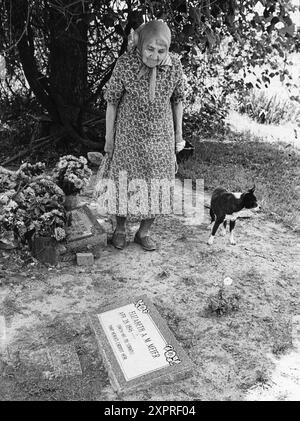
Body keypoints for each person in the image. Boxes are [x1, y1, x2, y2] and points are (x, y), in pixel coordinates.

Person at [97, 20, 186, 251]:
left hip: (161, 136)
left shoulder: (174, 65)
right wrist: (109, 138)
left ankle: (144, 232)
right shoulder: (126, 64)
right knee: (124, 181)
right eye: (150, 49)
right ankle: (120, 229)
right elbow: (112, 101)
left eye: (161, 50)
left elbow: (178, 100)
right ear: (140, 44)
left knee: (158, 182)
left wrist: (179, 136)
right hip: (129, 134)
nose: (155, 56)